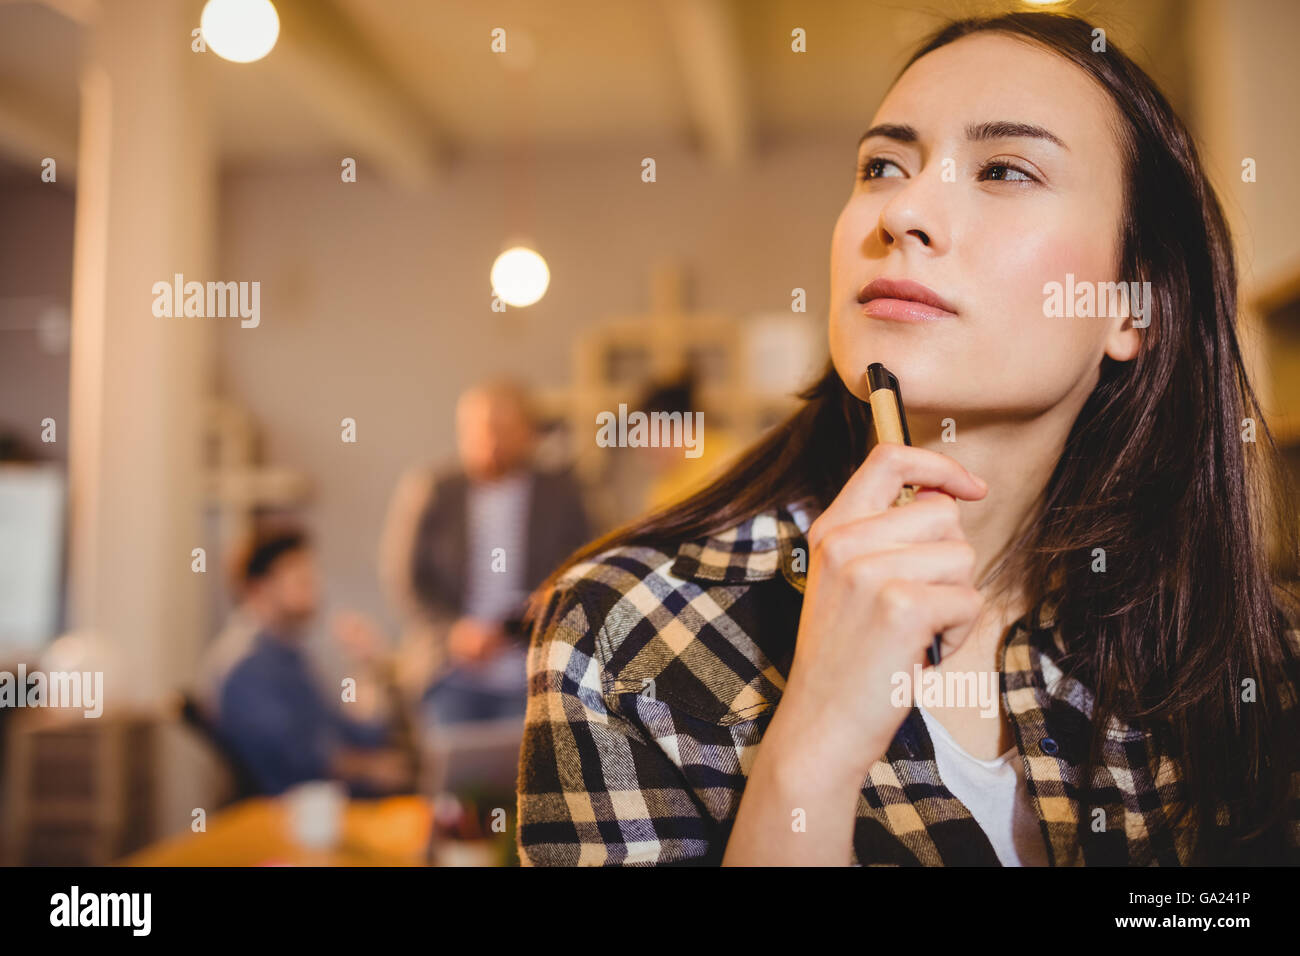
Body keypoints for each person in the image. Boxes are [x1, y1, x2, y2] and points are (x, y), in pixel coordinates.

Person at [516, 11, 1300, 866]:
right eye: (882, 166)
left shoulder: (1256, 659)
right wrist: (814, 741)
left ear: (1132, 303)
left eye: (1004, 170)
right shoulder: (625, 632)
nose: (905, 209)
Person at [379, 378, 591, 729]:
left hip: (537, 672)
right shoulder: (432, 491)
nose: (489, 441)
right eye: (478, 430)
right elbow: (406, 581)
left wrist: (528, 623)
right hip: (450, 673)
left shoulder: (563, 494)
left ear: (529, 433)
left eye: (501, 429)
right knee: (458, 773)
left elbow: (585, 573)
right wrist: (453, 633)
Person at [216, 529, 410, 797]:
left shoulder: (291, 656)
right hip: (296, 816)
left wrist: (367, 667)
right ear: (258, 588)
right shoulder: (247, 668)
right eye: (301, 580)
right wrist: (370, 768)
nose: (314, 590)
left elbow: (355, 732)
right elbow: (299, 761)